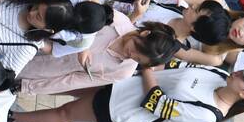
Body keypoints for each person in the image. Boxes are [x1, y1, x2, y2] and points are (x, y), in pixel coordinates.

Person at [11, 62, 244, 122]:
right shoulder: (220, 74)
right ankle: (18, 86)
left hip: (123, 107)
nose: (239, 72)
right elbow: (177, 65)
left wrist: (147, 68)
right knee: (70, 87)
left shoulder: (207, 115)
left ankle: (11, 118)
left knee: (66, 113)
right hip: (125, 79)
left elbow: (157, 104)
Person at [17, 16, 178, 96]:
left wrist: (27, 87)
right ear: (145, 33)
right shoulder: (115, 19)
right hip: (29, 35)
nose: (131, 54)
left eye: (137, 59)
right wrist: (83, 44)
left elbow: (71, 81)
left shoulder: (124, 71)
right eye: (136, 47)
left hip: (30, 69)